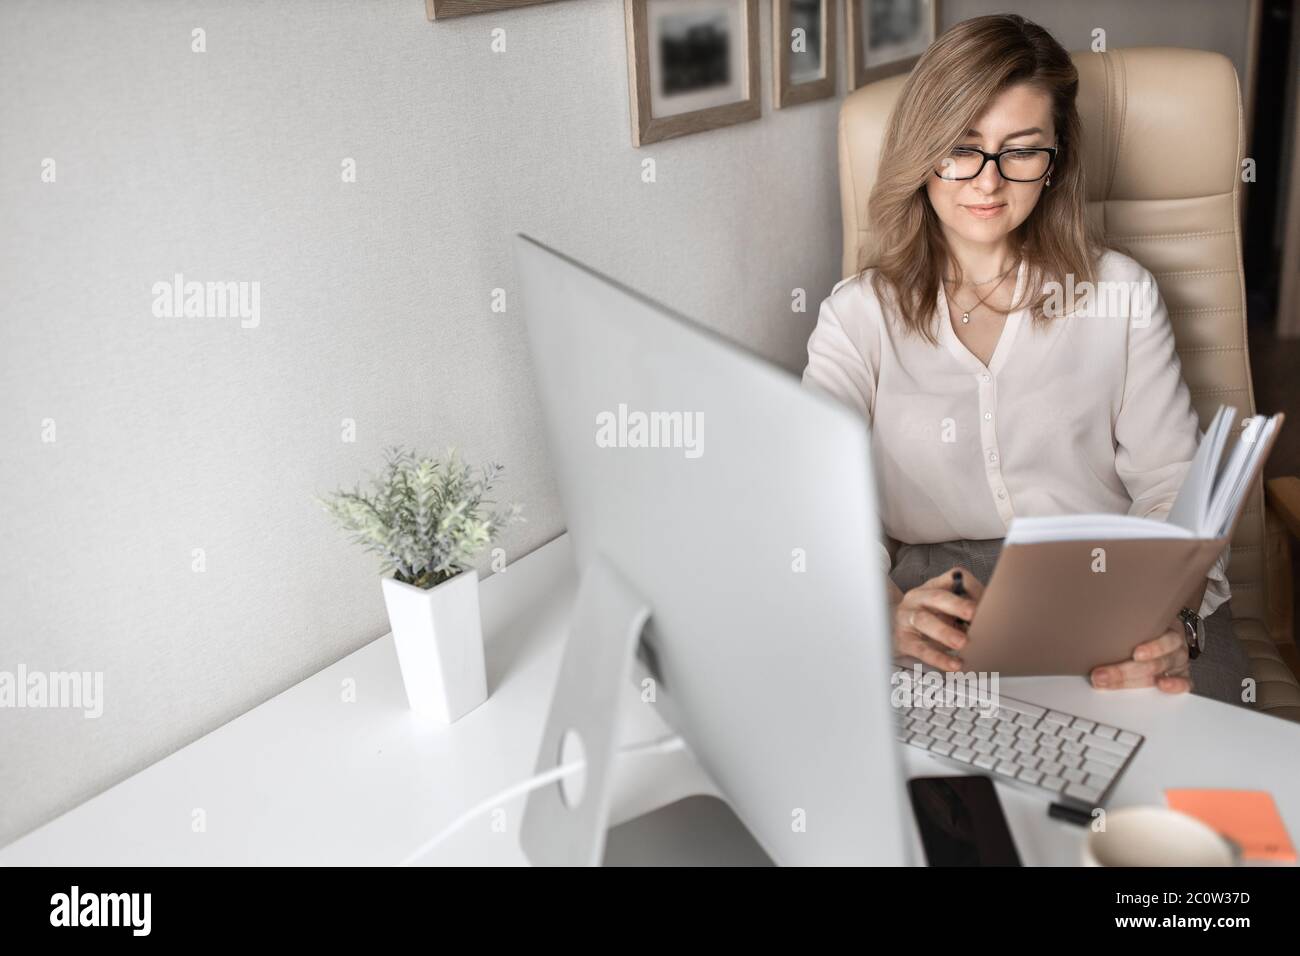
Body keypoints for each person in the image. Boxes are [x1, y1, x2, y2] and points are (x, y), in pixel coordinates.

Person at [801, 14, 1249, 705]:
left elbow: (1171, 487)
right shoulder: (857, 316)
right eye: (962, 147)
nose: (987, 181)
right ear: (924, 152)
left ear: (1057, 161)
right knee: (929, 794)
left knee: (1194, 796)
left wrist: (1167, 617)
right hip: (937, 599)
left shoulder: (1121, 294)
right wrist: (881, 606)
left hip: (1110, 586)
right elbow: (810, 493)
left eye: (1021, 151)